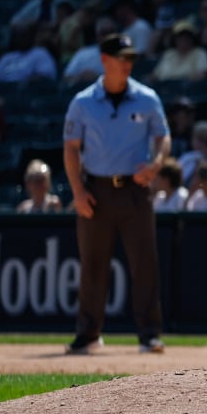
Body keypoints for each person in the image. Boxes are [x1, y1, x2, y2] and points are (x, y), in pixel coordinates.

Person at [61, 34, 169, 355]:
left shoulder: (147, 98)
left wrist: (156, 164)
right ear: (104, 60)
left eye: (130, 58)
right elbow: (70, 148)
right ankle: (88, 333)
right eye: (121, 58)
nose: (127, 64)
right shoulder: (82, 102)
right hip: (96, 189)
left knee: (144, 263)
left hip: (135, 191)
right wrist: (78, 191)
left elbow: (163, 138)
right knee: (92, 264)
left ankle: (150, 334)